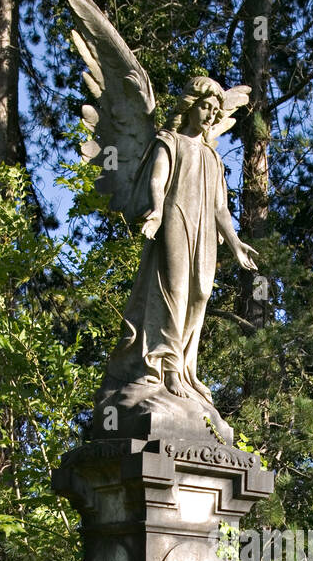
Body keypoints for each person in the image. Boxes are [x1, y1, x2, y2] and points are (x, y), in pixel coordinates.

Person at [109, 76, 258, 406]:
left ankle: (187, 367)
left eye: (216, 111)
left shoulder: (212, 157)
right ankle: (170, 367)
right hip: (176, 218)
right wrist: (157, 212)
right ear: (191, 106)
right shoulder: (170, 140)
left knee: (201, 293)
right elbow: (158, 179)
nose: (209, 115)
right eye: (205, 107)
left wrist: (234, 243)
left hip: (205, 228)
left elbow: (220, 206)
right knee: (175, 290)